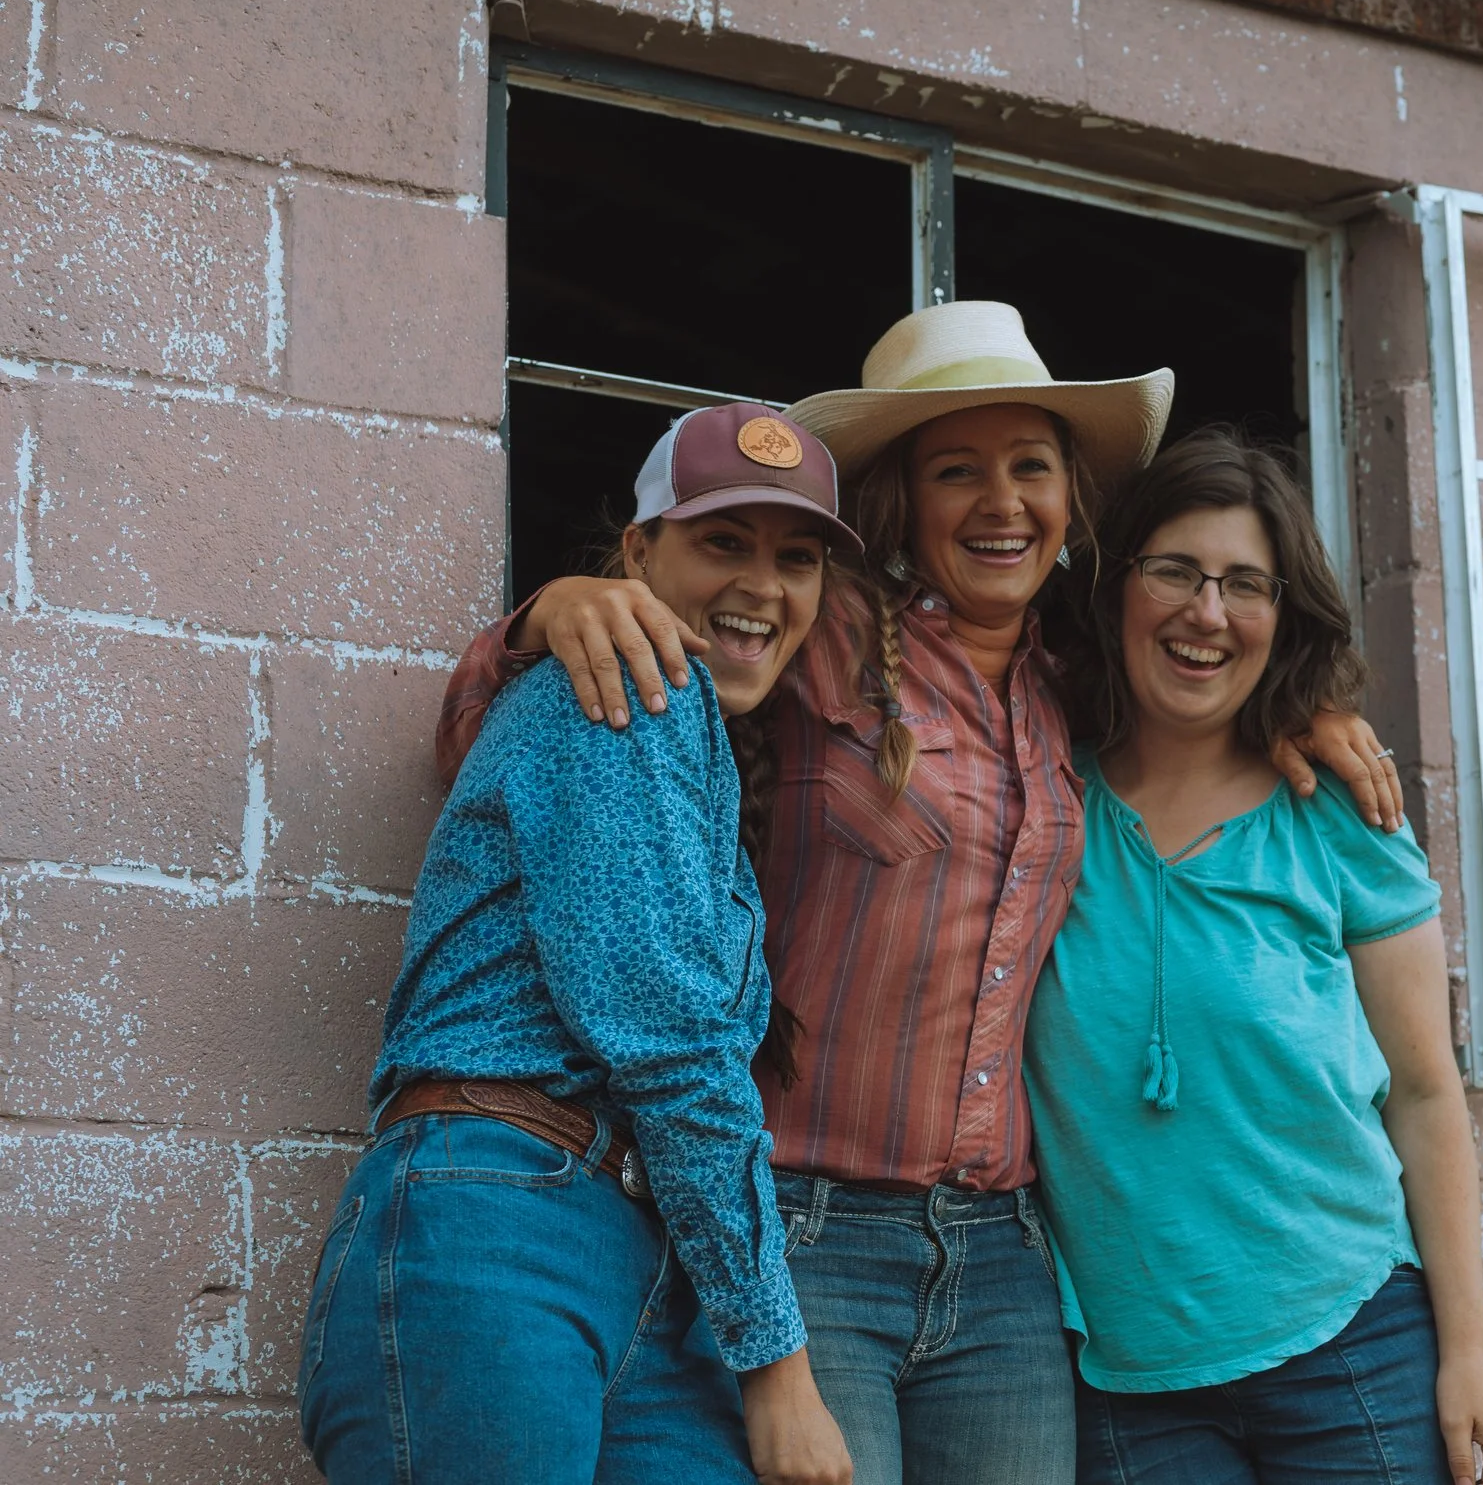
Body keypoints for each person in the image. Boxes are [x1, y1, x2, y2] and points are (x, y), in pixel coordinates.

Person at [432, 302, 1403, 1485]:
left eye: (1030, 468)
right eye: (959, 471)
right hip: (805, 1230)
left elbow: (1203, 675)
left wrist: (1304, 704)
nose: (1001, 502)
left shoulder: (1078, 689)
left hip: (1004, 1261)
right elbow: (542, 728)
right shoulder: (816, 625)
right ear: (903, 499)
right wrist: (553, 611)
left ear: (1068, 504)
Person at [298, 404, 857, 1485]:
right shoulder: (630, 690)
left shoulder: (689, 739)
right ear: (639, 551)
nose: (762, 586)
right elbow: (671, 1043)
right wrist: (778, 1367)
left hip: (631, 1241)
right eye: (722, 541)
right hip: (500, 1218)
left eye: (797, 558)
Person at [1026, 428, 1483, 1485]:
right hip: (1129, 1379)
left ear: (1281, 618)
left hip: (1352, 1338)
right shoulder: (1042, 797)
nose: (1207, 612)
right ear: (1116, 588)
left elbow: (1428, 1094)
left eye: (1246, 584)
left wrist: (1468, 1354)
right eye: (1175, 571)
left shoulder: (1336, 809)